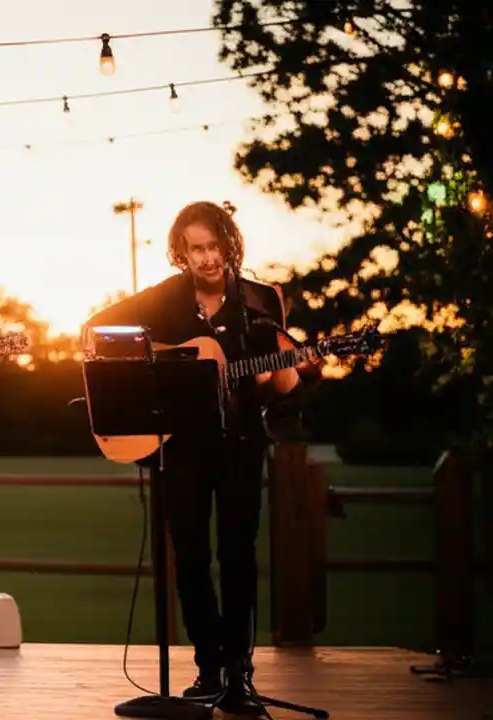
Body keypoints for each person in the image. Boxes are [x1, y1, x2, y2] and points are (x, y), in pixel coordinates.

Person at [84, 201, 320, 714]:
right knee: (188, 557)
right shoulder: (162, 299)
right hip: (180, 448)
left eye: (215, 247)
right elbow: (98, 330)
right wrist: (164, 357)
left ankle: (238, 673)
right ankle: (207, 667)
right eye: (197, 250)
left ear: (228, 245)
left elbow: (284, 388)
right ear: (182, 253)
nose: (208, 259)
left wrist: (280, 372)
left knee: (238, 556)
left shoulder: (261, 298)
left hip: (240, 445)